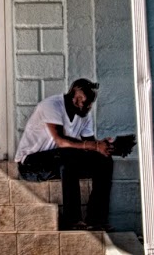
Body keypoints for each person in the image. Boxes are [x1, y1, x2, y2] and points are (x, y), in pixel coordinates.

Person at [14, 77, 112, 230]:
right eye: (84, 102)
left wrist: (102, 146)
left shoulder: (84, 114)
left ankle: (96, 220)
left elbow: (90, 145)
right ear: (75, 97)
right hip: (31, 165)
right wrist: (92, 145)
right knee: (67, 155)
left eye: (90, 104)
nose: (87, 107)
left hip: (60, 161)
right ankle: (72, 220)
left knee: (103, 160)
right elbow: (60, 140)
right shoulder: (51, 105)